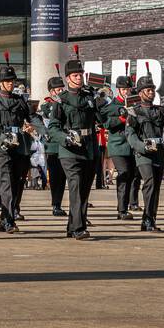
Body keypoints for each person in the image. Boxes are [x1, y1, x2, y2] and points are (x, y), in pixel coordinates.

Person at [46, 58, 106, 239]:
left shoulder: (89, 97)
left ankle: (72, 226)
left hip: (89, 147)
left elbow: (102, 121)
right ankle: (79, 228)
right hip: (69, 150)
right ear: (67, 78)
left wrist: (100, 101)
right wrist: (65, 138)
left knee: (84, 189)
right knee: (76, 185)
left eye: (80, 75)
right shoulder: (60, 100)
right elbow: (53, 127)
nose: (79, 78)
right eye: (75, 75)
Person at [0, 62, 41, 233]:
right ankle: (9, 221)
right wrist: (1, 138)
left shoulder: (20, 101)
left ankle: (3, 220)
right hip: (0, 147)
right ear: (0, 82)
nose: (10, 83)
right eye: (7, 81)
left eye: (12, 80)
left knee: (16, 183)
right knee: (6, 181)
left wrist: (42, 129)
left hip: (19, 146)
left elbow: (32, 117)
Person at [125, 76, 164, 231]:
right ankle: (148, 219)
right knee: (149, 183)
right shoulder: (134, 112)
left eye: (153, 90)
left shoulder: (160, 111)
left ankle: (150, 219)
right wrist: (142, 147)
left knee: (156, 186)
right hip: (143, 154)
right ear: (141, 92)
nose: (152, 93)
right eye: (148, 90)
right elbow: (130, 135)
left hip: (158, 153)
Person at [102, 75, 137, 220]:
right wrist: (121, 119)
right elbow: (106, 123)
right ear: (119, 90)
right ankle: (122, 210)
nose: (126, 92)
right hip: (118, 144)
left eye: (128, 89)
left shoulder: (135, 103)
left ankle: (124, 205)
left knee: (131, 175)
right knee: (123, 173)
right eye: (123, 89)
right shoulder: (112, 106)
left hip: (132, 145)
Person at [39, 77, 67, 216]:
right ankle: (56, 204)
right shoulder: (46, 107)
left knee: (64, 177)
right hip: (53, 146)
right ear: (51, 92)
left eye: (62, 89)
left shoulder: (67, 103)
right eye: (58, 89)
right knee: (56, 177)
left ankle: (60, 202)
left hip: (66, 145)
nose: (61, 91)